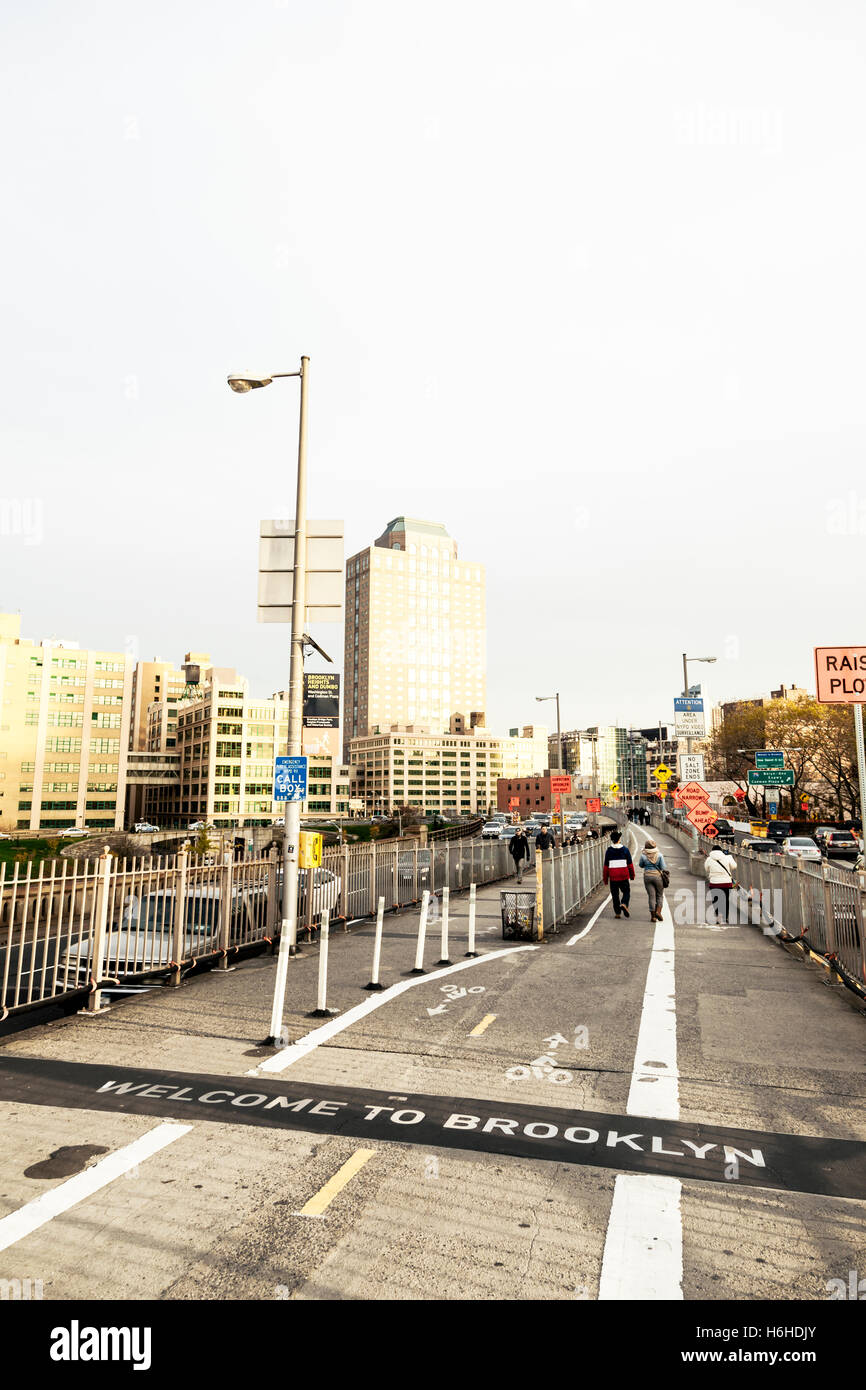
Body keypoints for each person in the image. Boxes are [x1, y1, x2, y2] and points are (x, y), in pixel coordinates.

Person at [603, 830, 635, 918]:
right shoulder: (625, 849)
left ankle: (617, 913)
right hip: (623, 875)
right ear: (619, 839)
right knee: (626, 891)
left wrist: (605, 879)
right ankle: (624, 903)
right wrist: (632, 875)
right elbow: (630, 864)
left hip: (613, 877)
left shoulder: (609, 851)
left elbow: (606, 866)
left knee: (615, 895)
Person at [704, 843, 738, 923]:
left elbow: (706, 869)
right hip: (726, 883)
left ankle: (718, 916)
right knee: (726, 900)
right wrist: (730, 857)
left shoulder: (709, 859)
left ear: (712, 851)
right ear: (721, 851)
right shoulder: (727, 857)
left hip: (714, 883)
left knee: (715, 900)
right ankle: (725, 917)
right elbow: (734, 866)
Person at [638, 839, 667, 921]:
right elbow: (663, 867)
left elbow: (641, 865)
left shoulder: (643, 856)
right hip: (657, 877)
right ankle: (658, 912)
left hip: (647, 876)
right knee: (659, 895)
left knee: (651, 896)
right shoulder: (659, 855)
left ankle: (653, 916)